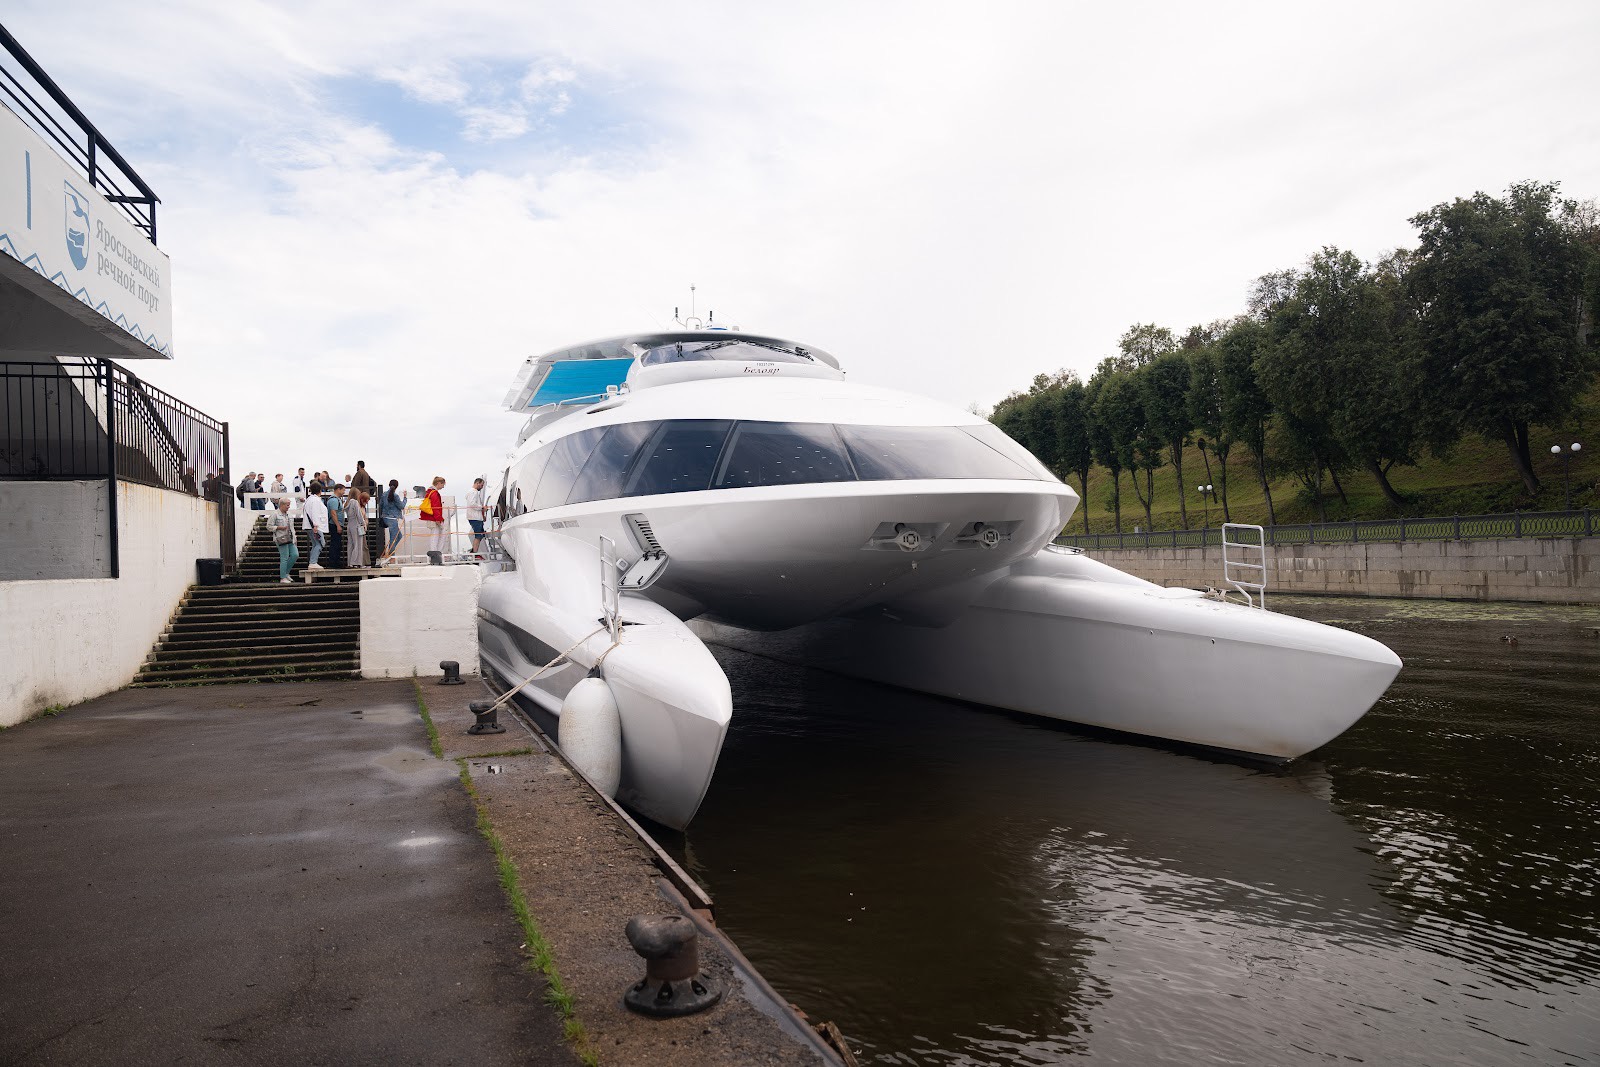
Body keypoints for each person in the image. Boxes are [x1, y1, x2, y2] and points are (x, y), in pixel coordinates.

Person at [269, 496, 298, 583]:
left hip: (290, 538)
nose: (289, 507)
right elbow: (269, 526)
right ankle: (283, 577)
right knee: (284, 557)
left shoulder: (289, 514)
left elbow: (292, 528)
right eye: (287, 505)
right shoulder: (275, 514)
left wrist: (295, 537)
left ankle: (286, 573)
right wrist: (278, 527)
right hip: (280, 538)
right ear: (282, 505)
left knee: (295, 555)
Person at [303, 481, 329, 570]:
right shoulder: (316, 500)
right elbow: (315, 513)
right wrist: (316, 526)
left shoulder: (309, 499)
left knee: (315, 544)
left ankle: (313, 562)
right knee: (321, 543)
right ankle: (313, 562)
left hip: (309, 525)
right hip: (315, 526)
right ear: (320, 490)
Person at [420, 476, 447, 562]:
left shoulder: (429, 492)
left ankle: (435, 554)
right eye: (443, 484)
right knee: (437, 535)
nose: (443, 486)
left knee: (435, 535)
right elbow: (436, 507)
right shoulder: (434, 493)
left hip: (431, 517)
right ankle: (436, 554)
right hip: (434, 518)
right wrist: (438, 519)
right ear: (438, 483)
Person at [379, 479, 407, 560]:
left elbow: (380, 505)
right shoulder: (395, 496)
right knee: (393, 538)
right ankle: (391, 557)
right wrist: (405, 498)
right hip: (392, 518)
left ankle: (390, 553)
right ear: (396, 486)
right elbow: (401, 506)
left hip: (385, 518)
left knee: (399, 536)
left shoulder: (384, 494)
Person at [347, 491, 371, 568]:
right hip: (357, 526)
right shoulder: (355, 503)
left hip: (350, 525)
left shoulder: (348, 503)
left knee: (351, 544)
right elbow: (359, 515)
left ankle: (350, 562)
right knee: (358, 545)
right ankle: (356, 563)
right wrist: (364, 523)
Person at [327, 483, 348, 569]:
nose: (344, 492)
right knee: (335, 544)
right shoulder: (334, 500)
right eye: (343, 490)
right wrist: (338, 525)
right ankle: (333, 563)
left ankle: (336, 562)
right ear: (338, 489)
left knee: (337, 544)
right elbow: (333, 513)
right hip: (335, 525)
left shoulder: (337, 499)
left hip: (337, 524)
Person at [466, 476, 488, 556]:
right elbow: (472, 504)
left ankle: (474, 552)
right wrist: (482, 508)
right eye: (481, 485)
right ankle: (474, 554)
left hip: (475, 517)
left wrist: (482, 515)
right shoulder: (473, 492)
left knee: (480, 535)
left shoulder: (472, 492)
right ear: (477, 483)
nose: (482, 487)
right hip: (475, 517)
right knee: (478, 536)